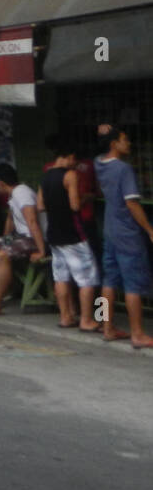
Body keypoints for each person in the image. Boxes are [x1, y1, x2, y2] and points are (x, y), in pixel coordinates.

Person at [94, 126, 153, 348]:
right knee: (133, 285)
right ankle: (137, 333)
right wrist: (149, 228)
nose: (128, 143)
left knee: (108, 281)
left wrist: (103, 130)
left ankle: (106, 326)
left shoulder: (99, 163)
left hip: (110, 229)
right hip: (127, 232)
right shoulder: (124, 169)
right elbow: (132, 203)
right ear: (114, 144)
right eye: (124, 139)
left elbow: (100, 149)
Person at [39, 137, 100, 330]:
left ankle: (65, 317)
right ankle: (87, 320)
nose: (76, 163)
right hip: (73, 233)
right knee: (87, 278)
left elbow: (40, 205)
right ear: (70, 157)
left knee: (61, 277)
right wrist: (87, 197)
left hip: (54, 234)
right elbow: (74, 204)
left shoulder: (46, 175)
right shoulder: (70, 175)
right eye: (75, 159)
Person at [0, 163, 46, 321]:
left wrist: (41, 250)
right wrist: (4, 239)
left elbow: (32, 222)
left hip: (32, 238)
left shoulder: (22, 193)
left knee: (3, 254)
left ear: (1, 183)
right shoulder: (13, 194)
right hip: (19, 236)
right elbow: (10, 219)